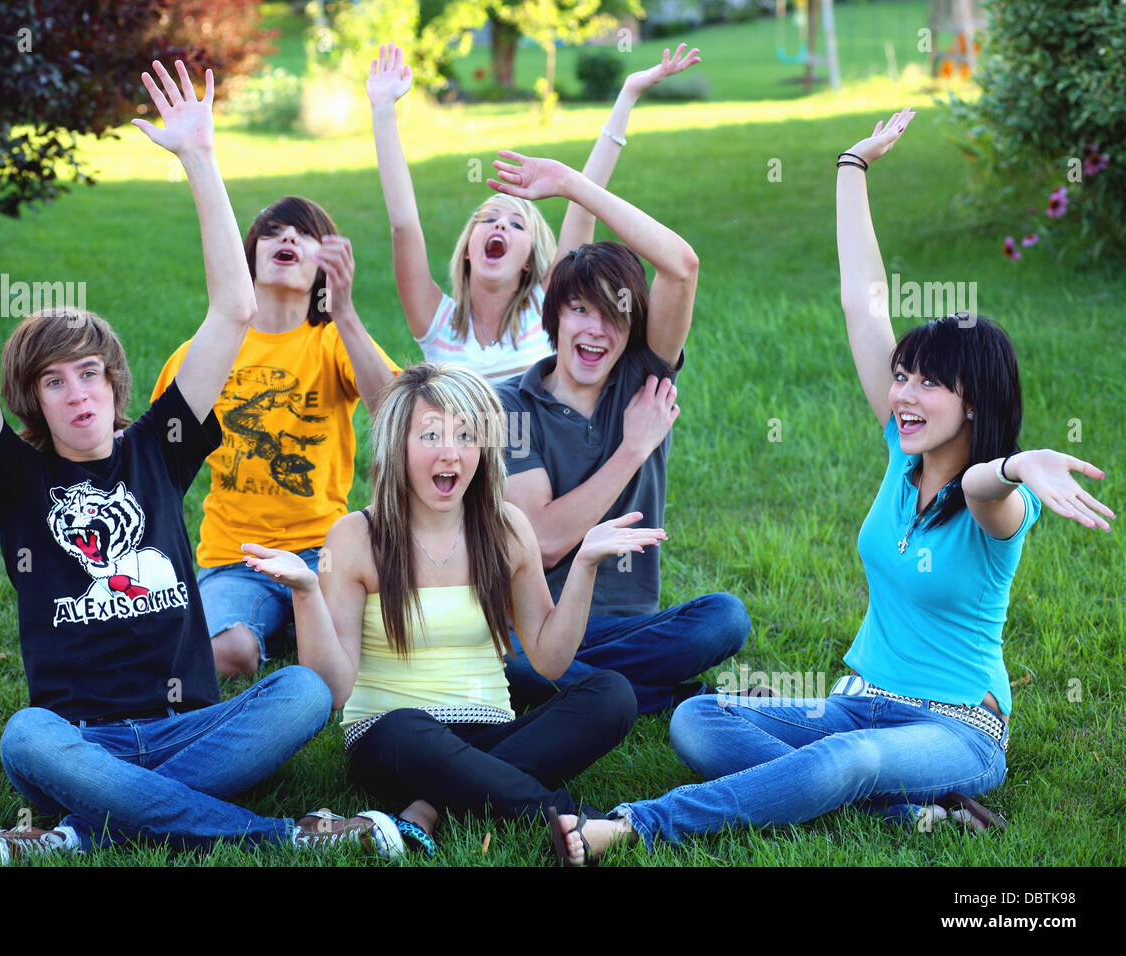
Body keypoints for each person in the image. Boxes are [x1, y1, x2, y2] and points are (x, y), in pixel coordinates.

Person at [548, 108, 1116, 865]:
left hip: (957, 729)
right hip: (858, 703)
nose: (905, 395)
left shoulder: (1001, 507)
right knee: (699, 721)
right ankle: (903, 814)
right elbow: (865, 301)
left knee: (843, 764)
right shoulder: (901, 446)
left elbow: (984, 485)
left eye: (929, 385)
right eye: (903, 377)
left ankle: (635, 825)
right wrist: (852, 168)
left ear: (974, 402)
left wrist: (1020, 464)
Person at [0, 61, 401, 862]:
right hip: (77, 736)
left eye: (89, 374)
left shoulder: (159, 451)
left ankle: (81, 830)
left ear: (115, 382)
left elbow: (234, 309)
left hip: (189, 725)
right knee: (24, 735)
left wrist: (199, 158)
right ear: (34, 401)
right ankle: (276, 837)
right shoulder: (17, 480)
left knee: (304, 691)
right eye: (53, 382)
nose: (76, 394)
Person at [242, 363, 644, 852]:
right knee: (404, 727)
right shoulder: (354, 537)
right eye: (430, 435)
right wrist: (306, 593)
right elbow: (334, 686)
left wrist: (583, 565)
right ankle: (575, 820)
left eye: (466, 434)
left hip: (492, 731)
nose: (450, 451)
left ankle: (426, 808)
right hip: (393, 740)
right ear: (398, 447)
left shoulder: (507, 527)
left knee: (612, 693)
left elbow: (550, 660)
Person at [487, 151, 751, 714]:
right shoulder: (509, 404)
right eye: (580, 309)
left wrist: (572, 186)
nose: (596, 329)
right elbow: (546, 539)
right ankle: (666, 695)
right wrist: (634, 448)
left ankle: (590, 689)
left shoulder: (642, 378)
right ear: (554, 319)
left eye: (616, 314)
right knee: (511, 660)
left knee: (725, 618)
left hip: (630, 627)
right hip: (541, 625)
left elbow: (681, 265)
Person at [152, 196, 398, 679]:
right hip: (239, 559)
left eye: (305, 234)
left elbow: (398, 413)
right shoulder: (204, 350)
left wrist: (345, 315)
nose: (288, 238)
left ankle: (297, 626)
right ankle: (273, 626)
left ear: (325, 270)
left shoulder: (331, 342)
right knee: (231, 652)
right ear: (249, 258)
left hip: (328, 553)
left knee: (389, 648)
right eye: (274, 231)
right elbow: (151, 458)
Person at [367, 41, 702, 384]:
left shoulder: (549, 310)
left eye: (517, 224)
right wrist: (382, 110)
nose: (501, 224)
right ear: (468, 248)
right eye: (488, 219)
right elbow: (404, 225)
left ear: (529, 258)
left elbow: (584, 207)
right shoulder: (435, 321)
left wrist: (627, 95)